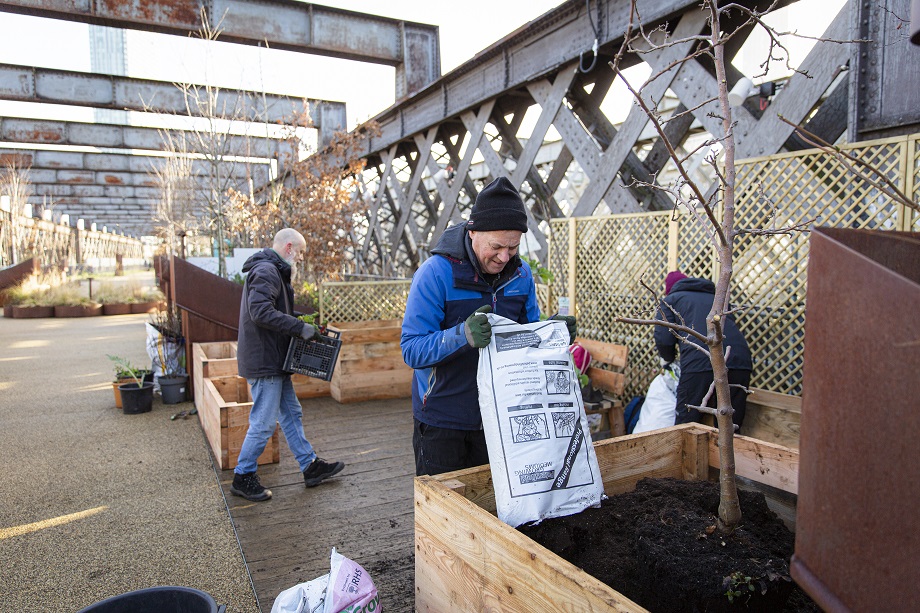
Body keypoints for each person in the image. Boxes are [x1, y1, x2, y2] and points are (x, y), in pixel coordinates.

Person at [401, 176, 576, 476]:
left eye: (513, 247)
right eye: (497, 246)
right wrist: (462, 336)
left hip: (501, 415)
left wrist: (553, 333)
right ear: (473, 232)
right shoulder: (435, 274)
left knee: (490, 512)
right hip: (443, 419)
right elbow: (411, 350)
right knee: (443, 514)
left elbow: (527, 339)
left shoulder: (521, 276)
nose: (504, 257)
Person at [230, 228, 345, 502]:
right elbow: (260, 312)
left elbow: (275, 312)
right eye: (301, 252)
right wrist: (297, 327)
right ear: (289, 247)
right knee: (264, 422)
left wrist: (303, 324)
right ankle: (242, 476)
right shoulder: (267, 272)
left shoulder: (272, 272)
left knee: (291, 413)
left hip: (273, 358)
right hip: (265, 360)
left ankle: (310, 466)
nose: (302, 258)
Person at [654, 271, 752, 430]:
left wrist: (668, 359)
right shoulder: (717, 300)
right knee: (729, 429)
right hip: (740, 361)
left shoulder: (669, 301)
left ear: (670, 289)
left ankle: (685, 455)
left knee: (686, 425)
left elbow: (663, 338)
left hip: (700, 362)